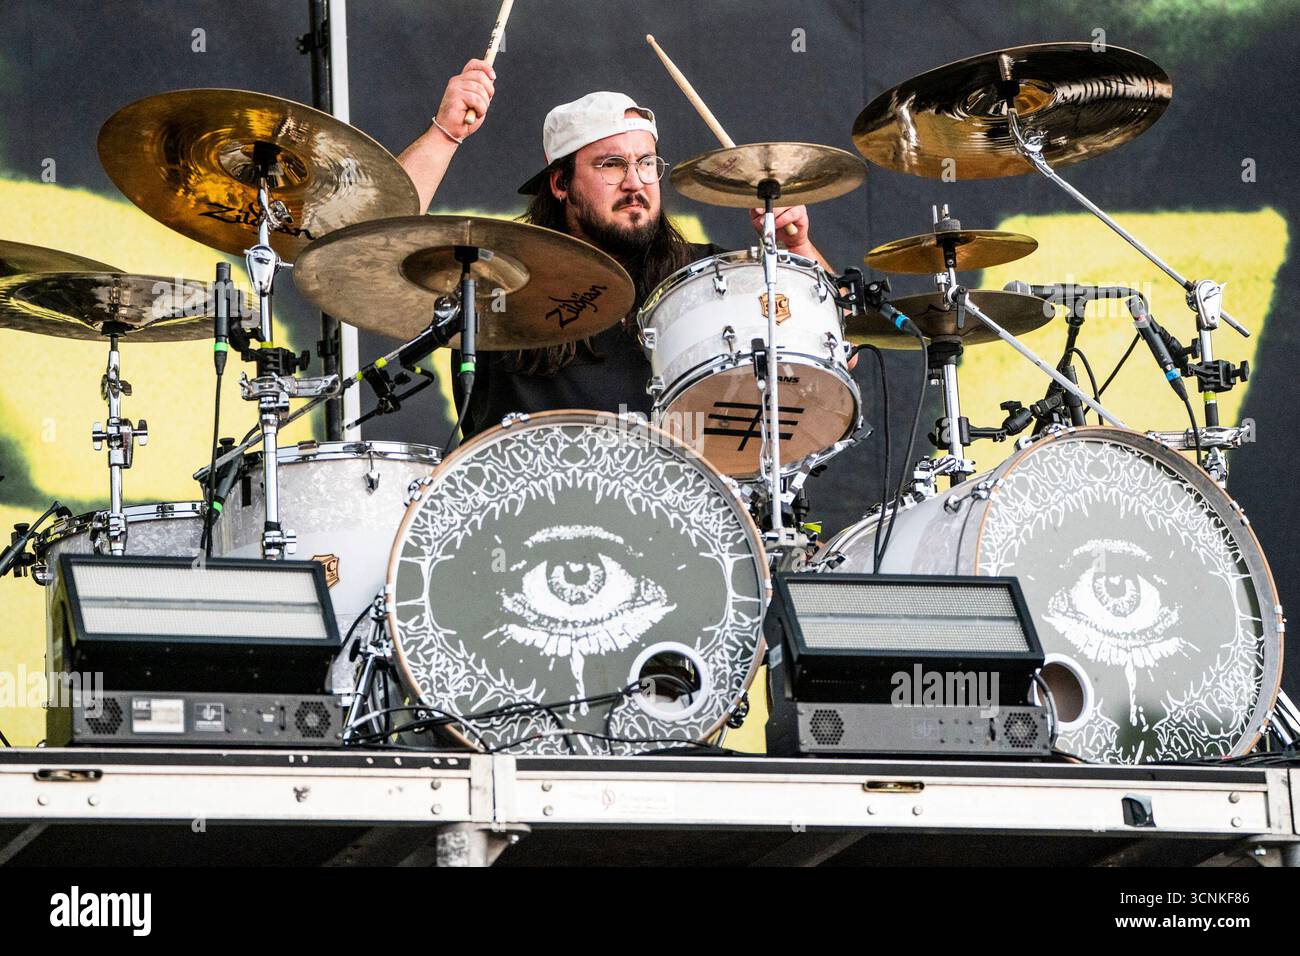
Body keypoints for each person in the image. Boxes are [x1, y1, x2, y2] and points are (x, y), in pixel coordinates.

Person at [397, 60, 837, 441]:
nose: (636, 181)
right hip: (526, 517)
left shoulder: (703, 279)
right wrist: (444, 135)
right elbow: (373, 248)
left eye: (646, 163)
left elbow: (835, 350)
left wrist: (796, 244)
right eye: (611, 164)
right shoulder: (497, 281)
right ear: (561, 184)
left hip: (677, 522)